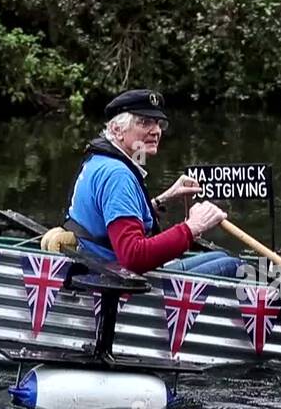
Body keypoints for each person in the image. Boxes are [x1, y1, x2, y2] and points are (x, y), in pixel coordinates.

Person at [60, 89, 244, 278]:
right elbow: (134, 257)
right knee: (235, 266)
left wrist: (165, 198)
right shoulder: (118, 175)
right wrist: (192, 227)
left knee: (221, 256)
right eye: (145, 122)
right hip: (118, 281)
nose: (156, 131)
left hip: (102, 267)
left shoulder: (100, 159)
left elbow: (111, 214)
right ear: (117, 130)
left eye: (158, 123)